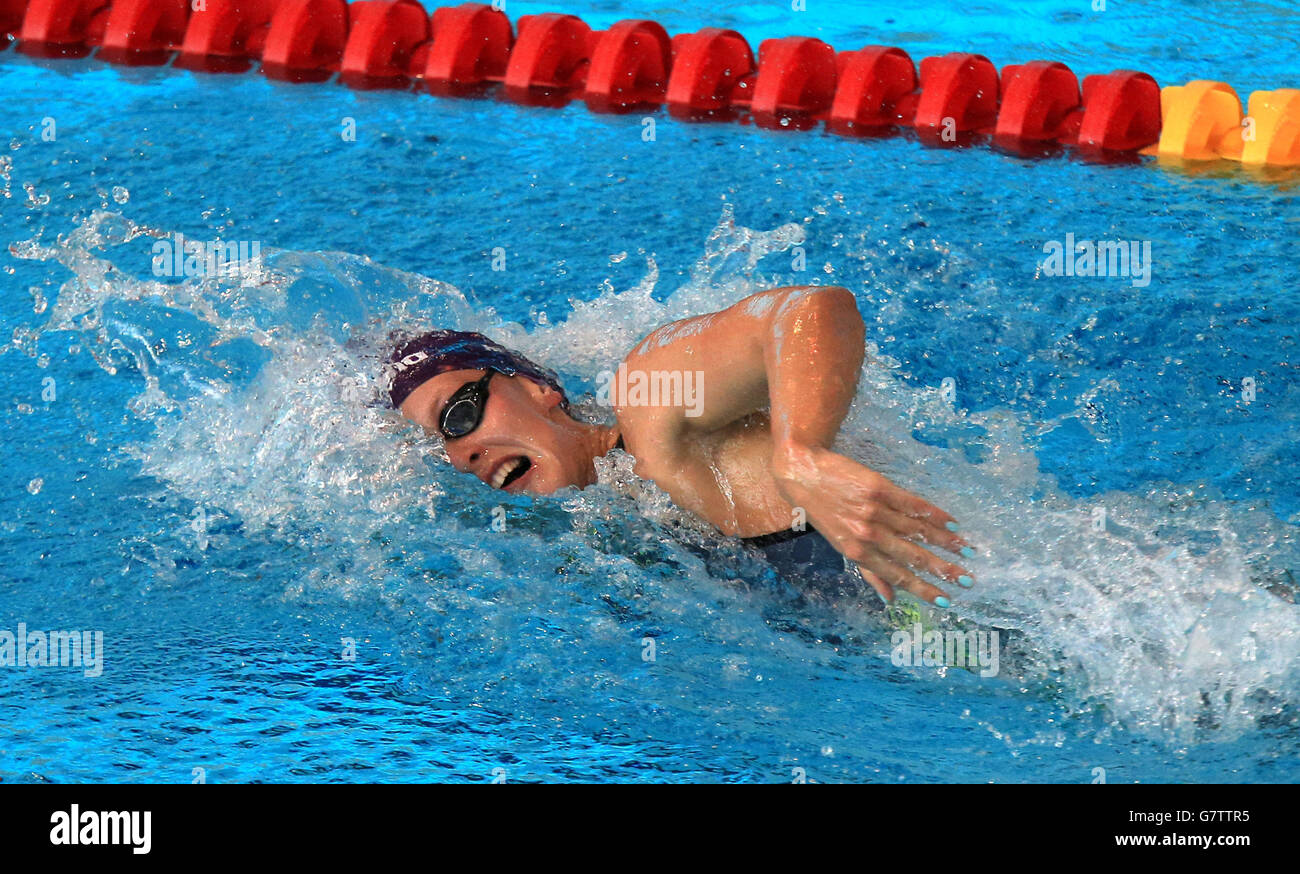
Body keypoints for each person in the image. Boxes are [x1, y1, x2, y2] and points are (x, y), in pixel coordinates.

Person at [382, 285, 976, 607]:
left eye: (458, 416)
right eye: (436, 449)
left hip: (1014, 618)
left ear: (537, 388)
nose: (460, 456)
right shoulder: (602, 533)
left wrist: (803, 454)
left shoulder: (650, 408)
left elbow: (809, 312)